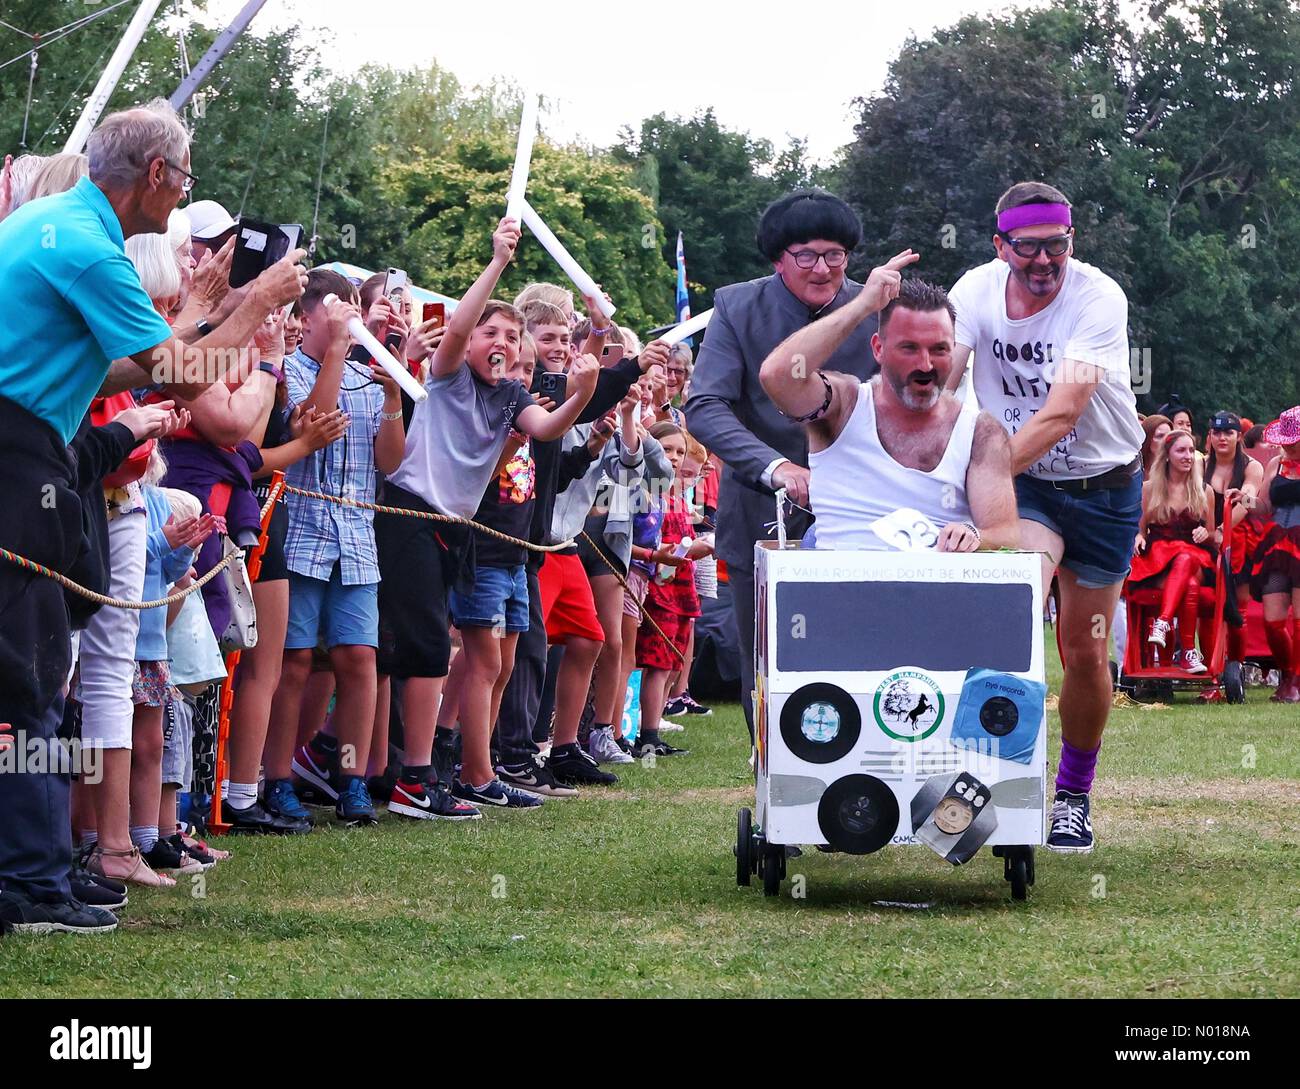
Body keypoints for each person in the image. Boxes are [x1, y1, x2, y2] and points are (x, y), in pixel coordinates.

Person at [0, 100, 303, 936]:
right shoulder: (91, 247)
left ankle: (41, 864)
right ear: (159, 176)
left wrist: (212, 318)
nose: (183, 194)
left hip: (31, 447)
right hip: (15, 454)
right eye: (187, 176)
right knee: (27, 683)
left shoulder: (57, 225)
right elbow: (178, 375)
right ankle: (28, 880)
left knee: (41, 676)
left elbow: (109, 372)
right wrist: (256, 301)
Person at [944, 181, 1144, 854]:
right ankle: (974, 789)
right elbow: (944, 382)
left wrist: (983, 469)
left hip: (1103, 487)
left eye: (1054, 247)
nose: (1042, 262)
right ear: (1000, 245)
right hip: (1027, 489)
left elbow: (1063, 411)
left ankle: (1073, 797)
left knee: (1085, 650)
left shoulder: (1098, 297)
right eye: (1026, 248)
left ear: (1071, 243)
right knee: (1005, 613)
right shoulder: (971, 292)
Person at [684, 188, 879, 743]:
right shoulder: (737, 307)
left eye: (835, 255)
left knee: (859, 649)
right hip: (760, 510)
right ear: (777, 258)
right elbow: (705, 405)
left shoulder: (877, 309)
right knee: (765, 662)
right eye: (807, 255)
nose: (823, 268)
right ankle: (775, 794)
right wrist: (776, 469)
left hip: (864, 512)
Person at [268, 269, 406, 827]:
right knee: (294, 661)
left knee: (358, 660)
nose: (348, 315)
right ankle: (274, 779)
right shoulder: (288, 372)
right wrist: (336, 356)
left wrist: (393, 393)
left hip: (357, 540)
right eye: (336, 307)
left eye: (353, 306)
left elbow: (390, 463)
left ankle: (351, 778)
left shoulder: (368, 383)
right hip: (301, 533)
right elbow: (314, 423)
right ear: (305, 318)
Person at [762, 272, 1019, 553]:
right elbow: (778, 376)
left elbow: (1005, 534)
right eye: (909, 348)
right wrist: (862, 306)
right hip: (839, 588)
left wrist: (975, 536)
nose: (925, 364)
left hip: (936, 589)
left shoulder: (980, 431)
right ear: (878, 348)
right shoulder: (843, 406)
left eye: (939, 349)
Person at [1130, 430, 1216, 674]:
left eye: (1191, 450)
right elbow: (1140, 530)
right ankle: (1188, 652)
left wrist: (1205, 535)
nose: (1188, 456)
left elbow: (1212, 537)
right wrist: (1138, 537)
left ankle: (1163, 621)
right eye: (1181, 450)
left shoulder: (1203, 491)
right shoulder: (1149, 489)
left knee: (1187, 557)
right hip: (1160, 559)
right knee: (1189, 584)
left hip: (1196, 557)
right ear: (1167, 455)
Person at [1201, 412, 1263, 697]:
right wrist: (1210, 532)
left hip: (1238, 538)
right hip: (1202, 536)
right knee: (1207, 605)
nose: (1222, 438)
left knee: (1237, 608)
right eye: (1217, 433)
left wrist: (1224, 529)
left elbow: (1248, 498)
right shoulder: (1200, 465)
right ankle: (1208, 673)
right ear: (1210, 437)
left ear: (1239, 436)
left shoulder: (1252, 466)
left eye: (1228, 433)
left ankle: (1235, 669)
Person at [1247, 406, 1300, 702]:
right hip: (1278, 543)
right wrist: (1244, 499)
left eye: (1295, 439)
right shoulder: (1276, 465)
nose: (1289, 445)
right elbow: (1264, 507)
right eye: (1287, 439)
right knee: (1272, 618)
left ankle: (1296, 682)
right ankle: (1288, 673)